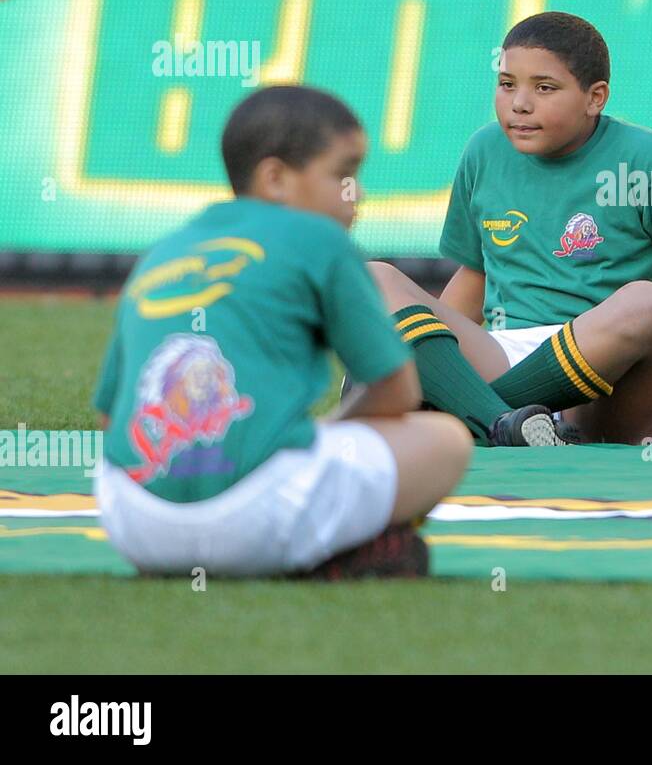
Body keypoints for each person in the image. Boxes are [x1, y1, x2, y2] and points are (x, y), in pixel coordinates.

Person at [94, 86, 472, 578]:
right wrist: (326, 429)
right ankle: (354, 549)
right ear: (274, 178)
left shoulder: (166, 249)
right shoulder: (321, 239)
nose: (357, 192)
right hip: (256, 519)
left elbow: (108, 414)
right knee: (445, 440)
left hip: (135, 525)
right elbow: (397, 389)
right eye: (343, 174)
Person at [368, 12, 652, 447]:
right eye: (507, 84)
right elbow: (475, 277)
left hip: (609, 383)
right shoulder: (483, 151)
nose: (519, 103)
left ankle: (473, 416)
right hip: (504, 357)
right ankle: (504, 425)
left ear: (595, 97)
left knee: (650, 304)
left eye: (544, 88)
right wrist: (424, 356)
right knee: (373, 278)